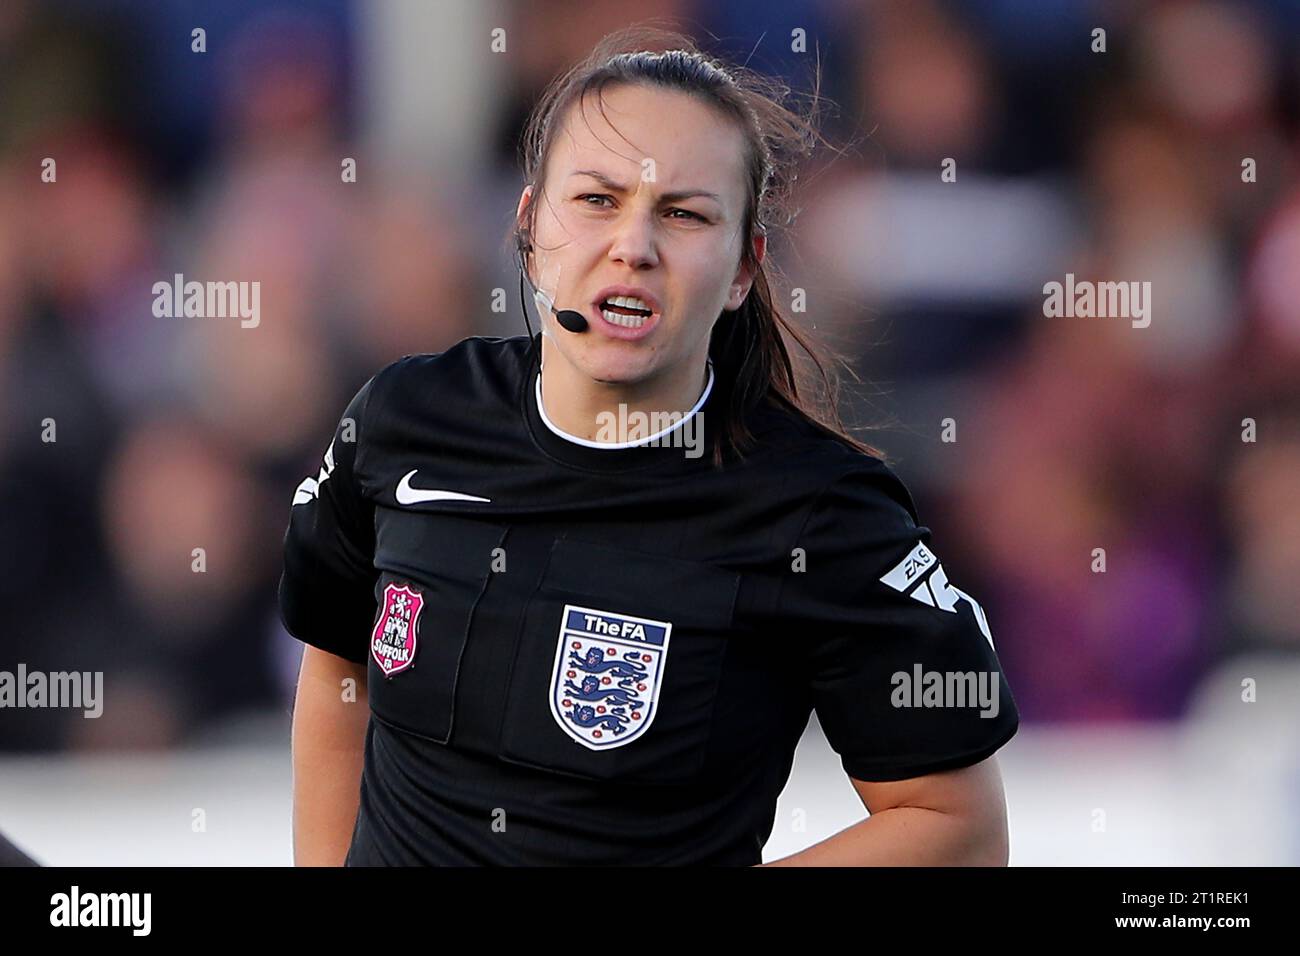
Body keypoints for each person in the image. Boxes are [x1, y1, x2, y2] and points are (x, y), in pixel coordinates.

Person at [281, 27, 1018, 867]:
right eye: (597, 200)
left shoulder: (821, 510)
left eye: (683, 213)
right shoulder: (404, 418)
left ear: (745, 268)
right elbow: (338, 669)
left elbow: (959, 828)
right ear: (529, 230)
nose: (633, 245)